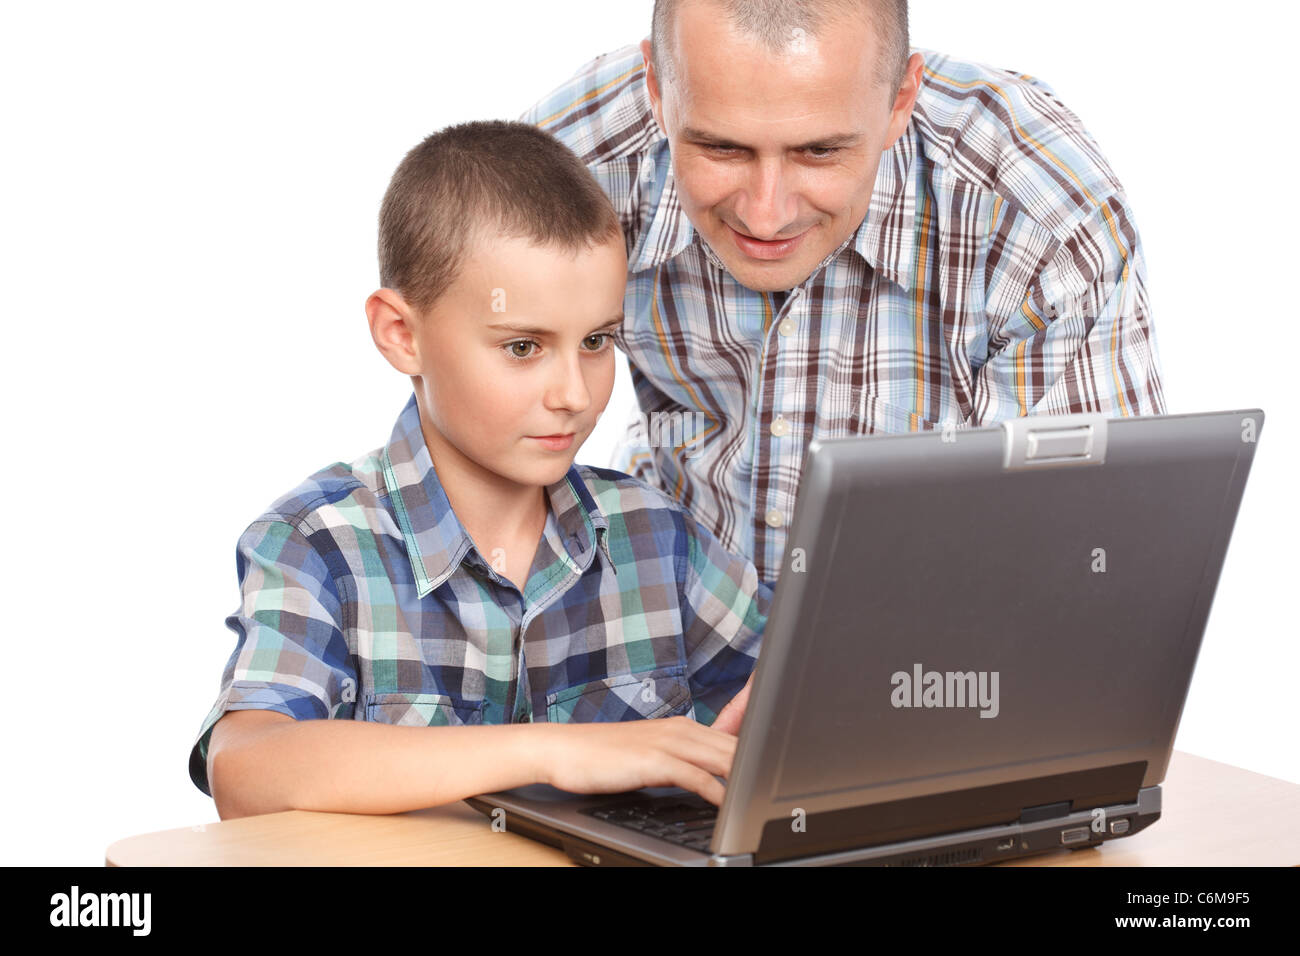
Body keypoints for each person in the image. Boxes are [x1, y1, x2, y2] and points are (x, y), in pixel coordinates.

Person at [188, 120, 770, 818]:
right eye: (523, 346)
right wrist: (552, 749)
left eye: (595, 341)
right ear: (402, 336)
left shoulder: (657, 538)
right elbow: (249, 770)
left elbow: (799, 694)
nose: (575, 395)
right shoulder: (317, 544)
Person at [520, 0, 1167, 587]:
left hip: (937, 636)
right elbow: (469, 470)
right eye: (722, 148)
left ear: (900, 101)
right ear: (657, 91)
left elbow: (1097, 565)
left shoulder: (1040, 214)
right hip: (663, 603)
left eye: (820, 152)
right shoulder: (560, 170)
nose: (765, 216)